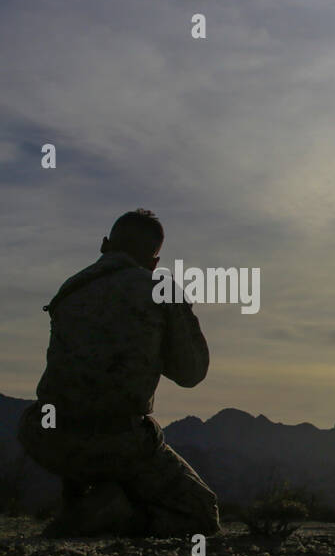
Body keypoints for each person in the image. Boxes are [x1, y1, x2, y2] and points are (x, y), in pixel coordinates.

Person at [19, 209, 220, 537]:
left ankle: (78, 498)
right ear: (154, 262)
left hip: (45, 436)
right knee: (202, 515)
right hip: (118, 443)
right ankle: (112, 515)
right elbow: (191, 373)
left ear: (104, 245)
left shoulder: (69, 290)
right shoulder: (158, 289)